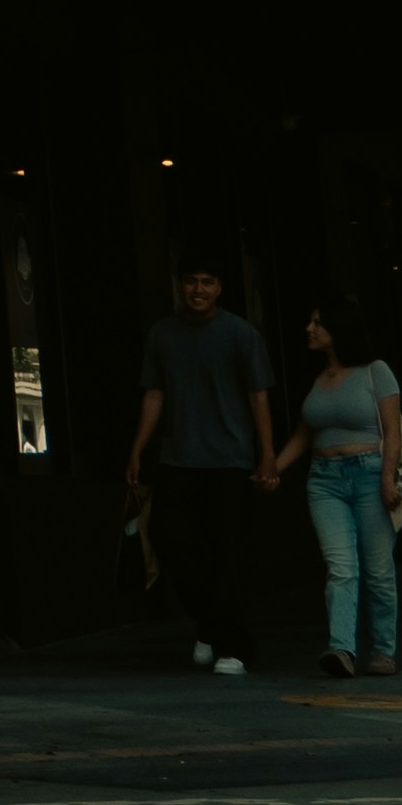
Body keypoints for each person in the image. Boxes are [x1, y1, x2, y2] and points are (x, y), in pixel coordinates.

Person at [121, 261, 279, 681]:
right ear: (180, 286)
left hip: (229, 460)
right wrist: (138, 449)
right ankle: (212, 623)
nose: (198, 289)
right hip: (177, 457)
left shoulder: (241, 334)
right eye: (191, 281)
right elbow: (154, 393)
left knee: (226, 552)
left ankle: (233, 645)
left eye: (207, 282)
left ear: (220, 287)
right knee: (169, 542)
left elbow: (258, 397)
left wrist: (267, 455)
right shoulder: (163, 334)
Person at [278, 305, 402, 680]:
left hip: (369, 475)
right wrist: (271, 469)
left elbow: (392, 430)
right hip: (324, 480)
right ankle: (342, 649)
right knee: (340, 567)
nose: (309, 328)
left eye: (318, 322)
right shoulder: (317, 378)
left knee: (379, 570)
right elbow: (304, 435)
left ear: (339, 328)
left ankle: (383, 650)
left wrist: (388, 479)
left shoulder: (375, 371)